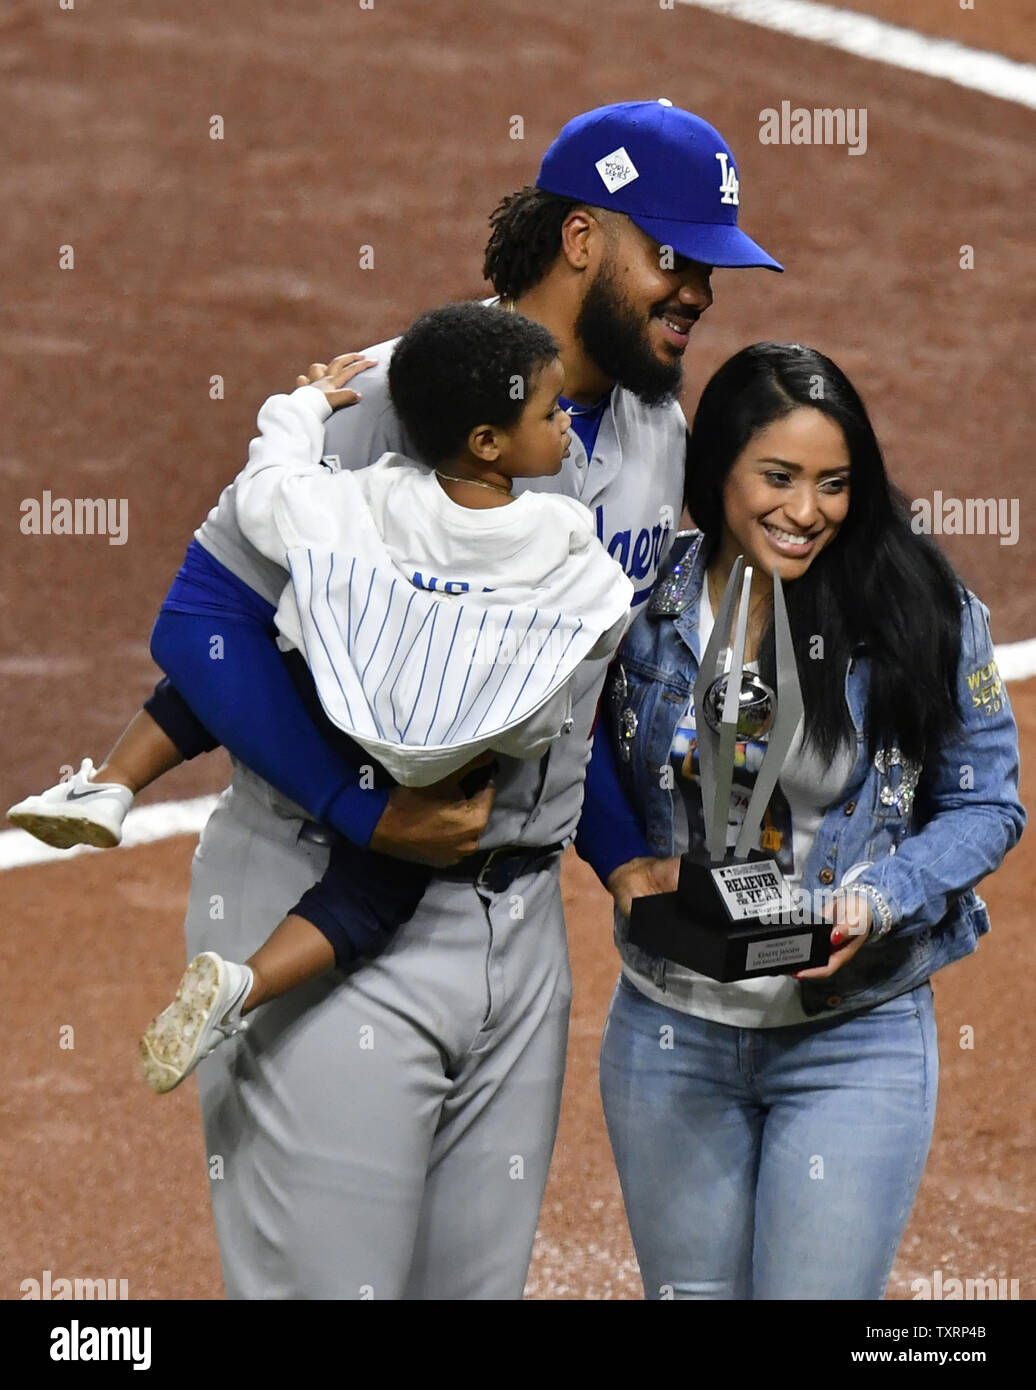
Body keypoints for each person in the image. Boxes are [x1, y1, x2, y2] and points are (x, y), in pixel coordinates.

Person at [9, 101, 782, 1299]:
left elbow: (558, 689)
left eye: (712, 268)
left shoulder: (653, 433)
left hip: (519, 940)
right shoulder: (392, 396)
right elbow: (203, 624)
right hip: (322, 908)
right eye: (672, 258)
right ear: (581, 240)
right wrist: (360, 811)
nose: (699, 294)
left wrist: (625, 856)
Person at [579, 341, 1025, 1301]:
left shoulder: (919, 607)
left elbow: (988, 801)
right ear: (718, 473)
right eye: (778, 477)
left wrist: (881, 898)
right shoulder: (643, 609)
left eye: (834, 483)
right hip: (673, 1031)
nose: (807, 510)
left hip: (852, 1035)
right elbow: (566, 755)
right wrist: (621, 863)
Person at [137, 303, 633, 1094]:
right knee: (379, 888)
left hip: (354, 723)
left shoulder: (370, 497)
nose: (566, 419)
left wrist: (300, 408)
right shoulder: (559, 530)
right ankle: (244, 983)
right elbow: (599, 629)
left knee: (261, 645)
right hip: (454, 757)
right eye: (550, 410)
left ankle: (109, 782)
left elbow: (271, 490)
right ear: (488, 442)